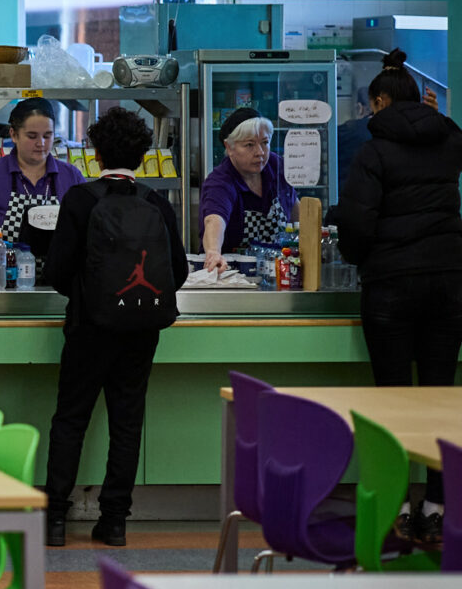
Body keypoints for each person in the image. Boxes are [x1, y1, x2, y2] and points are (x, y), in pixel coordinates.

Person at [39, 107, 185, 548]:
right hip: (142, 328)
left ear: (97, 154)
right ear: (143, 155)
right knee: (127, 419)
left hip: (89, 328)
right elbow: (176, 271)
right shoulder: (158, 204)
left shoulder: (81, 200)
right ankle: (115, 520)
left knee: (70, 418)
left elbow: (58, 271)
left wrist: (89, 295)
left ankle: (56, 521)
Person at [336, 49, 462, 528]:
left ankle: (396, 504)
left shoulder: (374, 150)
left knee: (392, 399)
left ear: (382, 101)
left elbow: (358, 221)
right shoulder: (447, 139)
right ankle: (438, 505)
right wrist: (440, 120)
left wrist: (355, 257)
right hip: (450, 283)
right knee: (437, 394)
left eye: (372, 105)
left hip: (391, 284)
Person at [0, 98, 84, 286]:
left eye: (47, 136)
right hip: (4, 285)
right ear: (13, 135)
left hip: (60, 287)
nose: (41, 143)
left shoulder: (71, 177)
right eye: (32, 136)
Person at [199, 108, 299, 274]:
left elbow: (296, 211)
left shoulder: (277, 166)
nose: (260, 152)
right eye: (249, 145)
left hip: (280, 274)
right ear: (229, 147)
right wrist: (213, 252)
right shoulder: (221, 181)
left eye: (265, 143)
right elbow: (214, 219)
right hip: (230, 276)